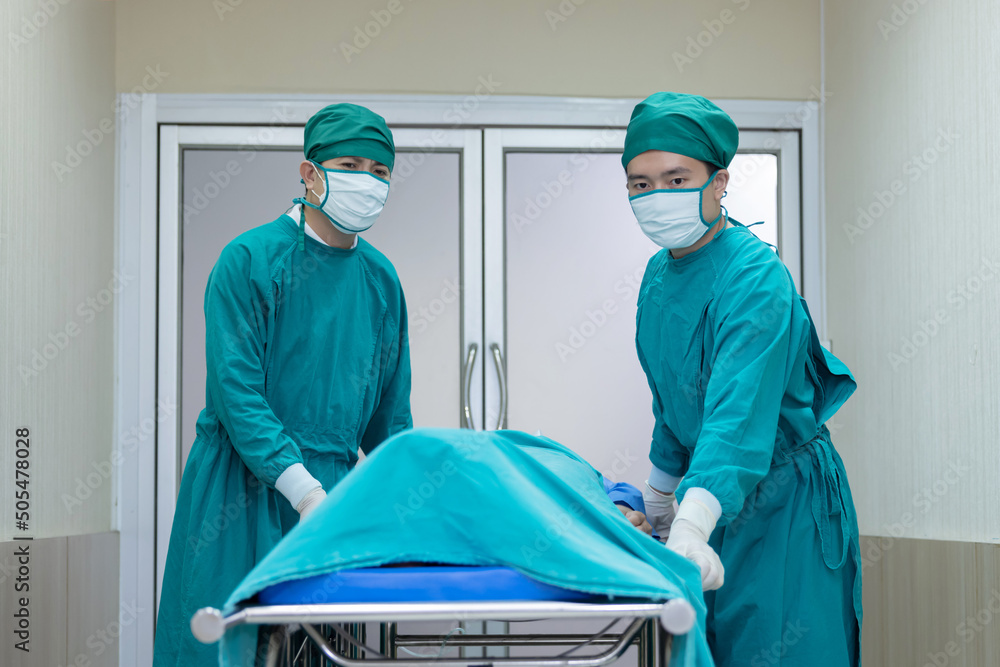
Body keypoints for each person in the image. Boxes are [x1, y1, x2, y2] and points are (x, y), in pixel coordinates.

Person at [153, 103, 412, 667]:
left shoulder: (381, 282)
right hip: (240, 493)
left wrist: (404, 500)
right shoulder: (249, 261)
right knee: (225, 646)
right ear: (309, 172)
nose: (367, 180)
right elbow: (236, 394)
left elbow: (391, 421)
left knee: (323, 652)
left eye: (380, 170)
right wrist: (302, 490)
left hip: (331, 498)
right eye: (350, 163)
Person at [623, 92, 861, 666]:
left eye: (676, 177)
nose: (657, 196)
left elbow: (736, 420)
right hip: (717, 500)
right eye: (640, 183)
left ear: (719, 181)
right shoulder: (659, 275)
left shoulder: (754, 277)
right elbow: (674, 407)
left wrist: (691, 523)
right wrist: (658, 505)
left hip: (783, 505)